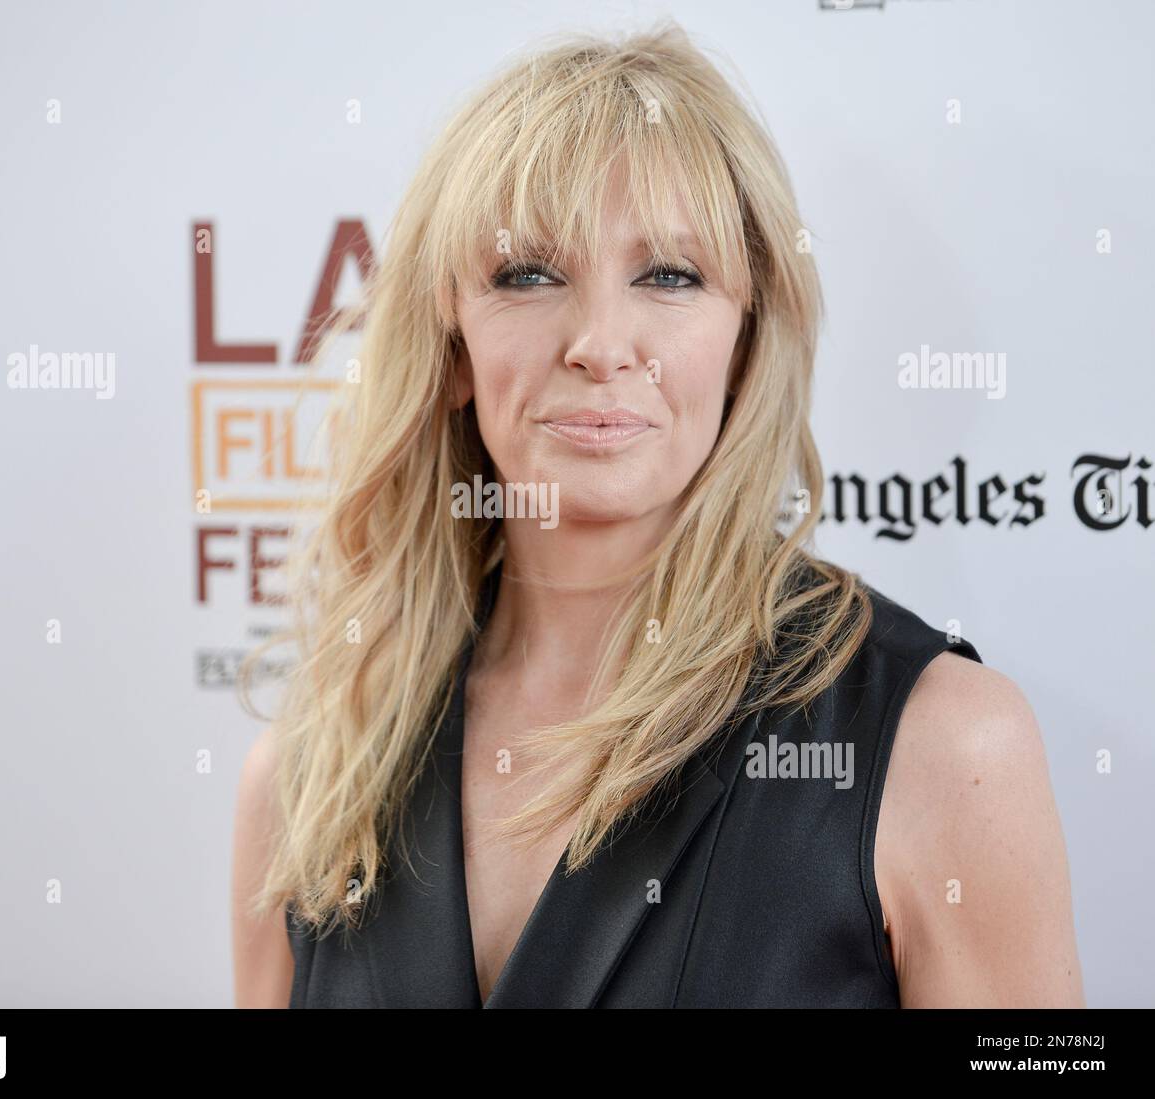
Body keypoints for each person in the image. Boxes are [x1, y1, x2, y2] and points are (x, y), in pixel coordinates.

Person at [231, 21, 1084, 1008]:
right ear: (453, 346)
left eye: (669, 276)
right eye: (527, 274)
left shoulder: (944, 744)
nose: (598, 340)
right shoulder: (309, 776)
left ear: (745, 337)